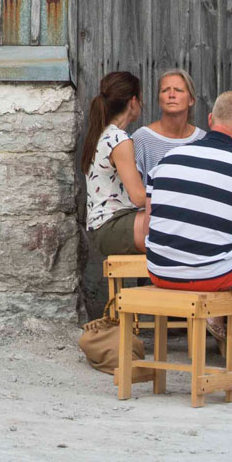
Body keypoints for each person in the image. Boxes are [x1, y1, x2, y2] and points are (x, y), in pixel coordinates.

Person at [135, 90, 232, 390]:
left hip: (159, 270)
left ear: (211, 119)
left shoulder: (167, 159)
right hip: (211, 274)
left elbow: (150, 224)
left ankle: (225, 326)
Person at [78, 70, 154, 320]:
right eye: (140, 98)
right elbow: (138, 196)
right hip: (112, 227)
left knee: (175, 233)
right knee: (177, 229)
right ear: (133, 101)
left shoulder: (102, 134)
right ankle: (204, 305)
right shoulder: (120, 140)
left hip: (103, 228)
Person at [132, 69, 202, 182]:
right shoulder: (142, 138)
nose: (171, 95)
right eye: (165, 90)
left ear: (191, 100)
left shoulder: (202, 139)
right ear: (159, 99)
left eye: (178, 90)